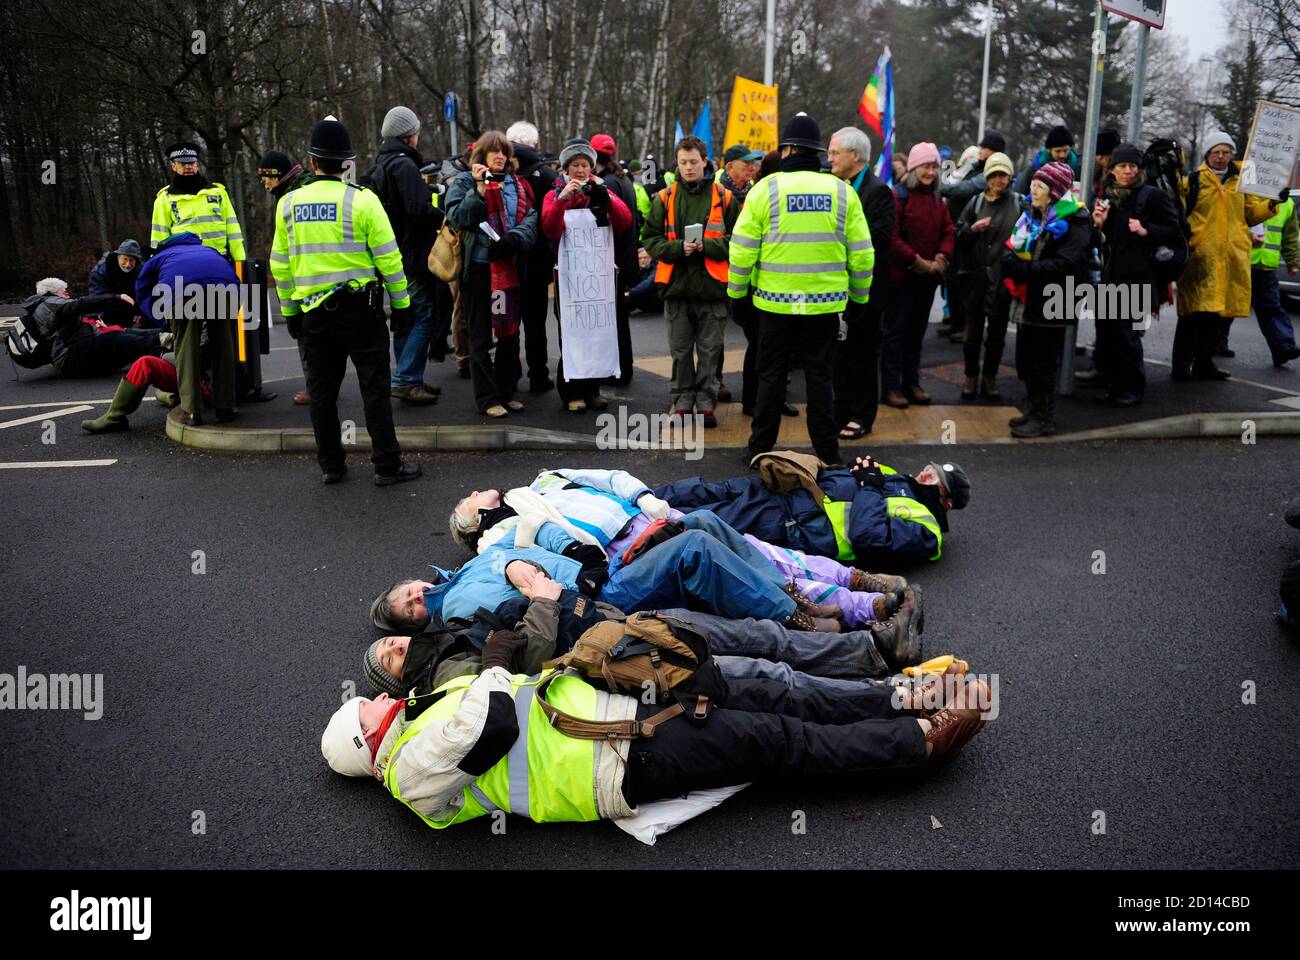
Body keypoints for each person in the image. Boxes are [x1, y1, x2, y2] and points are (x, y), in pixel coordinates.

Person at [321, 631, 990, 833]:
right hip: (614, 760)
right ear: (364, 740)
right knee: (772, 740)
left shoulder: (417, 717)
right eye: (366, 714)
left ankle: (895, 699)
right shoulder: (407, 774)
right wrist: (496, 665)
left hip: (611, 705)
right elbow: (493, 727)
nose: (378, 705)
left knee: (757, 687)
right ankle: (917, 744)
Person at [365, 565, 922, 701]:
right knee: (758, 673)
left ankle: (872, 647)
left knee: (752, 635)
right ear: (395, 678)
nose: (395, 647)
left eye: (388, 641)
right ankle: (878, 689)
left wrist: (527, 607)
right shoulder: (443, 678)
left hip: (604, 618)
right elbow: (521, 661)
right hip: (609, 655)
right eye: (388, 655)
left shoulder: (453, 632)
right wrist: (539, 602)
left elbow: (511, 624)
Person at [447, 467, 909, 627]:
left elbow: (609, 478)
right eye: (467, 498)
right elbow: (549, 554)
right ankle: (860, 608)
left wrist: (647, 499)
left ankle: (852, 583)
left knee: (738, 537)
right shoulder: (501, 538)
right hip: (619, 556)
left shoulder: (544, 481)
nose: (474, 490)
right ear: (472, 522)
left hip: (647, 521)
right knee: (715, 550)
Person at [269, 115, 421, 486]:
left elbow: (281, 264)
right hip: (361, 312)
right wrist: (401, 305)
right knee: (374, 390)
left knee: (322, 394)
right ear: (347, 163)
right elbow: (389, 259)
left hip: (313, 315)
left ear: (313, 161)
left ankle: (331, 466)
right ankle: (386, 465)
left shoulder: (288, 204)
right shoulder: (363, 201)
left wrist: (289, 311)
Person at [730, 112, 873, 466]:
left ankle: (760, 447)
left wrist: (736, 295)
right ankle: (827, 451)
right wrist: (859, 298)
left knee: (771, 376)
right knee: (820, 378)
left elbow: (742, 248)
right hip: (824, 306)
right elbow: (862, 255)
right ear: (818, 151)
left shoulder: (766, 189)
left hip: (774, 304)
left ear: (788, 148)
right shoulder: (843, 191)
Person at [657, 454, 969, 567]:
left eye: (933, 479)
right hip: (786, 487)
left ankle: (630, 529)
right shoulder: (895, 475)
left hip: (793, 522)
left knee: (694, 523)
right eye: (929, 468)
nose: (924, 475)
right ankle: (635, 494)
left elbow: (867, 536)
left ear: (946, 502)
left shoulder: (927, 533)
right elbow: (852, 479)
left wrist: (870, 485)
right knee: (704, 490)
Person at [641, 134, 738, 427]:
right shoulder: (665, 197)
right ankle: (682, 400)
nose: (688, 167)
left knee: (710, 352)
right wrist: (677, 248)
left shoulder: (725, 197)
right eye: (683, 162)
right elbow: (650, 239)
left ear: (704, 162)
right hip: (676, 286)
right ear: (678, 164)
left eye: (693, 162)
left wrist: (707, 246)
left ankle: (706, 403)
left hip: (712, 287)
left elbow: (740, 240)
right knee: (680, 351)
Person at [1174, 132, 1284, 380]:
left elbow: (1251, 214)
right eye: (1216, 152)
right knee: (1192, 314)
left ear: (1232, 154)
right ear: (1207, 155)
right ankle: (1181, 364)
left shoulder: (1243, 182)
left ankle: (1205, 363)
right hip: (1201, 258)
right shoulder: (1193, 181)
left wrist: (1272, 203)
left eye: (1226, 152)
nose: (1221, 157)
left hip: (1232, 257)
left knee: (1217, 315)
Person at [445, 131, 539, 418]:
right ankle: (487, 398)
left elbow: (530, 220)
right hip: (479, 268)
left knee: (510, 332)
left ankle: (507, 391)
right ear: (481, 156)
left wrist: (513, 240)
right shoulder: (464, 182)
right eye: (493, 152)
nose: (500, 156)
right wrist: (479, 190)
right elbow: (458, 218)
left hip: (509, 268)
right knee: (480, 336)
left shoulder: (518, 184)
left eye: (504, 152)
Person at [540, 138, 633, 413]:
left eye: (584, 165)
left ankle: (593, 389)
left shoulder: (602, 189)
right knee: (571, 332)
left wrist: (605, 199)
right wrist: (562, 201)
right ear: (566, 168)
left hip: (598, 275)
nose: (580, 170)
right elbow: (549, 229)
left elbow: (625, 221)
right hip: (570, 276)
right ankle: (571, 391)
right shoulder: (553, 193)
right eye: (575, 165)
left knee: (598, 330)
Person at [1090, 142, 1183, 408]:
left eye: (1132, 166)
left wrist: (1146, 230)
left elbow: (1174, 231)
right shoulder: (1106, 197)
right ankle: (1112, 386)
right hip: (1111, 275)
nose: (1128, 171)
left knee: (1127, 335)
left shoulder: (1151, 196)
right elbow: (1100, 240)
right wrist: (1097, 224)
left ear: (1139, 169)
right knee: (1108, 336)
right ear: (1113, 171)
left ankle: (1133, 388)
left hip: (1137, 276)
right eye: (1122, 166)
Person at [1001, 161, 1091, 437]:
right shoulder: (1032, 214)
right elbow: (1016, 245)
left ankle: (1044, 418)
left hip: (1055, 302)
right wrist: (1011, 261)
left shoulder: (1075, 219)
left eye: (1040, 186)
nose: (1033, 189)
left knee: (1043, 362)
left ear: (1055, 192)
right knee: (1027, 359)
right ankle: (1033, 409)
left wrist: (1022, 270)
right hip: (1031, 300)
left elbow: (1067, 263)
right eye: (1033, 184)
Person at [366, 106, 442, 406]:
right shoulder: (404, 166)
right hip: (413, 253)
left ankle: (410, 376)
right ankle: (406, 379)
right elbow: (418, 210)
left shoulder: (379, 166)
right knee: (425, 315)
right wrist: (442, 216)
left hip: (390, 252)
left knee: (405, 316)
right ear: (410, 135)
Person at [829, 126, 896, 439]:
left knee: (863, 354)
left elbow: (879, 240)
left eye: (834, 153)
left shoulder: (877, 191)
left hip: (867, 289)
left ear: (855, 156)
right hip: (835, 288)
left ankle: (862, 415)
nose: (829, 159)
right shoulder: (833, 186)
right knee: (840, 354)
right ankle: (839, 410)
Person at [133, 231, 239, 424]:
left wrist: (164, 321)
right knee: (224, 347)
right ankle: (226, 407)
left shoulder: (160, 256)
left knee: (186, 350)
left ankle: (191, 410)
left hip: (183, 292)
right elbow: (232, 276)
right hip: (226, 290)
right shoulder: (210, 250)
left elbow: (143, 290)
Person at [881, 142, 954, 409]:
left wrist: (941, 257)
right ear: (914, 167)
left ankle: (911, 382)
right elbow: (892, 236)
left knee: (916, 334)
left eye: (934, 166)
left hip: (927, 279)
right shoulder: (898, 196)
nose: (931, 171)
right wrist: (917, 261)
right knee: (895, 333)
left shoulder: (938, 200)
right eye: (926, 166)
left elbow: (948, 231)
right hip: (901, 279)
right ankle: (890, 386)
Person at [953, 151, 1018, 402]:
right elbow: (957, 236)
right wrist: (972, 230)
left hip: (1004, 278)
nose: (998, 180)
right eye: (993, 175)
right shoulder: (976, 203)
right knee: (972, 332)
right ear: (987, 178)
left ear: (1010, 177)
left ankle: (990, 378)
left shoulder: (1019, 203)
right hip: (975, 278)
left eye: (1003, 175)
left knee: (997, 333)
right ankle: (971, 376)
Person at [507, 120, 561, 393]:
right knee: (536, 323)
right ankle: (539, 376)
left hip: (506, 258)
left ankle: (509, 375)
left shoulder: (501, 171)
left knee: (508, 322)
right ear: (536, 145)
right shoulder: (546, 175)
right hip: (538, 259)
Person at [938, 131, 1006, 346]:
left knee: (967, 283)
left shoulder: (988, 171)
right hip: (961, 230)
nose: (981, 151)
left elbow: (965, 188)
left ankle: (965, 326)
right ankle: (956, 320)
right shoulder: (974, 167)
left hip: (977, 234)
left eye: (984, 148)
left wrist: (941, 187)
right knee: (954, 279)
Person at [258, 149, 314, 405]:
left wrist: (289, 306)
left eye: (266, 177)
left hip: (305, 281)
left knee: (307, 338)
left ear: (277, 176)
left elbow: (283, 257)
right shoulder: (304, 188)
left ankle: (316, 389)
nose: (264, 183)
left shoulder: (289, 200)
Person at [24, 278, 163, 377]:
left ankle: (164, 338)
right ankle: (163, 356)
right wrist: (116, 297)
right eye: (64, 291)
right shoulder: (51, 305)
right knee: (115, 339)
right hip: (70, 358)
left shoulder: (44, 307)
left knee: (127, 336)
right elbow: (81, 304)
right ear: (54, 292)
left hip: (74, 355)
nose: (67, 294)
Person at [590, 134, 639, 387]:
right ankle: (623, 368)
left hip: (612, 258)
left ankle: (618, 370)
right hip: (626, 256)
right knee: (619, 315)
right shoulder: (623, 178)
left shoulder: (605, 183)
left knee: (613, 317)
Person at [150, 142, 245, 262]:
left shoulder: (217, 193)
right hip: (184, 263)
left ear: (197, 165)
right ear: (173, 165)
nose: (188, 167)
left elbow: (233, 231)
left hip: (219, 260)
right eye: (183, 164)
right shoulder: (165, 199)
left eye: (191, 162)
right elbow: (159, 239)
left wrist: (241, 262)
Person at [81, 353, 203, 433]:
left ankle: (114, 417)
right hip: (205, 380)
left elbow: (197, 354)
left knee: (144, 364)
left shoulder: (208, 315)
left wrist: (166, 356)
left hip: (204, 382)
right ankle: (175, 397)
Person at [1250, 188, 1299, 367]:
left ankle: (1283, 347)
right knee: (1227, 308)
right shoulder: (1248, 196)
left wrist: (1292, 261)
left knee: (1272, 307)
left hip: (1267, 266)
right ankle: (1215, 345)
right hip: (1241, 263)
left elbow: (1290, 235)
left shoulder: (1287, 203)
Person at [1013, 125, 1081, 196]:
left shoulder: (1079, 170)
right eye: (1058, 151)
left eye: (1065, 150)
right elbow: (1018, 198)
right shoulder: (1032, 170)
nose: (1062, 155)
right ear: (1049, 150)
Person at [88, 240, 143, 304]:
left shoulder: (141, 270)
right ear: (118, 257)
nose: (128, 264)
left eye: (131, 260)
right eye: (125, 259)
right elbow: (96, 299)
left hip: (131, 308)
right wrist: (117, 297)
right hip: (107, 308)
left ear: (136, 261)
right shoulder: (101, 271)